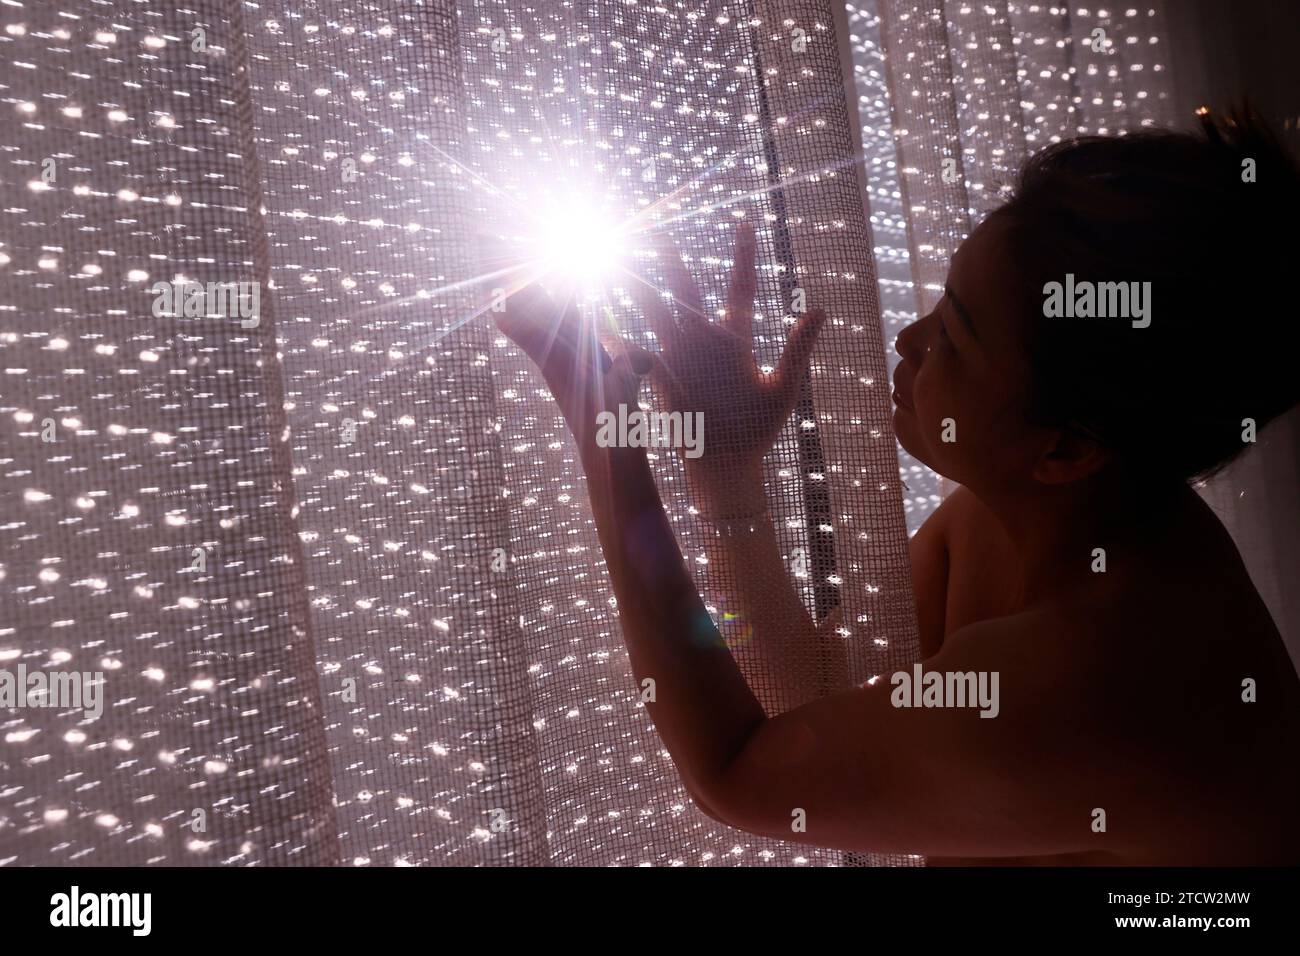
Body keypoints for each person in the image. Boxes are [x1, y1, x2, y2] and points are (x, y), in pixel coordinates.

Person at [493, 106, 1300, 864]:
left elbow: (739, 774)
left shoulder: (1102, 676)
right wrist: (726, 472)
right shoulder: (1026, 518)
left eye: (955, 336)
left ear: (1065, 449)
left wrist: (606, 438)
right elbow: (809, 691)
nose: (910, 340)